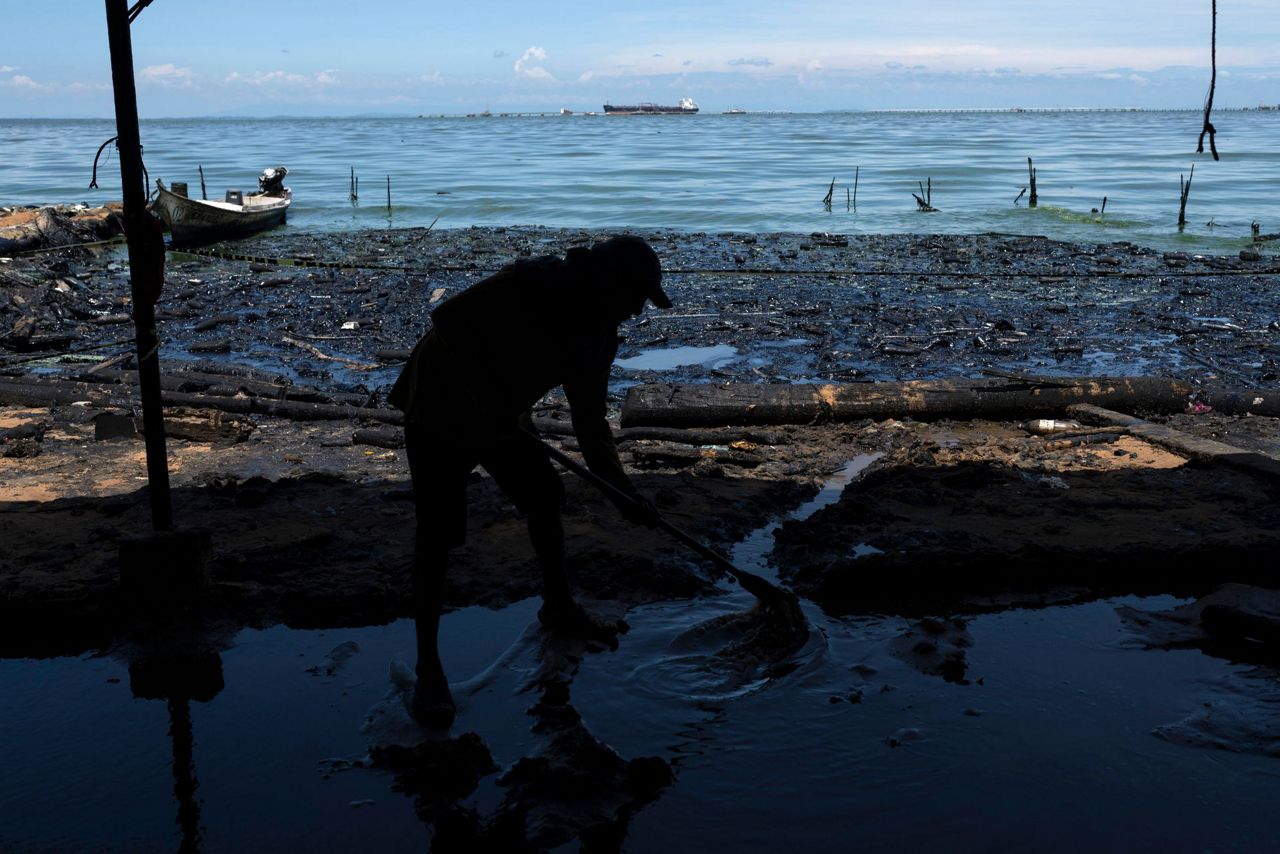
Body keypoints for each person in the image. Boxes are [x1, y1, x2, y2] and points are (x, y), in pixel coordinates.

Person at [388, 234, 671, 728]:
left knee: (544, 495)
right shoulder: (534, 281)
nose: (635, 311)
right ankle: (429, 669)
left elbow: (590, 423)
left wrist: (622, 492)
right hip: (439, 403)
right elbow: (447, 318)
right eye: (634, 297)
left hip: (504, 414)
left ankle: (559, 607)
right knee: (438, 534)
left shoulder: (599, 336)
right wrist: (483, 393)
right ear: (608, 280)